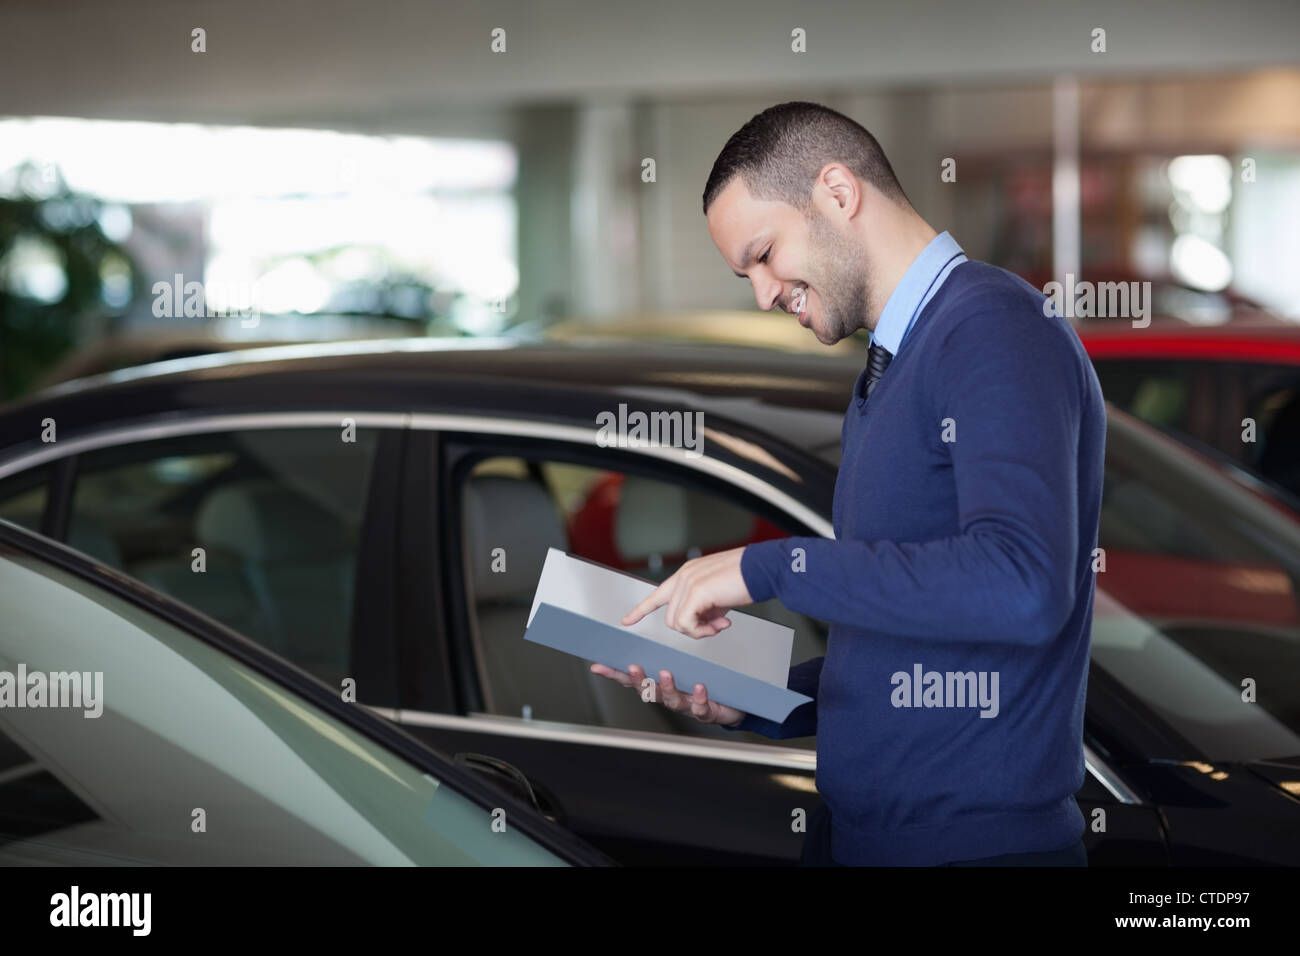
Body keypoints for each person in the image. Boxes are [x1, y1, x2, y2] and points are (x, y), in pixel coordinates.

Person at [591, 101, 1104, 867]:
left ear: (837, 191)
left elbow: (1021, 584)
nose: (763, 293)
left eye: (764, 254)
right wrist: (762, 697)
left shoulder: (993, 330)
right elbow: (915, 643)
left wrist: (764, 567)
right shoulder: (892, 363)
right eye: (747, 275)